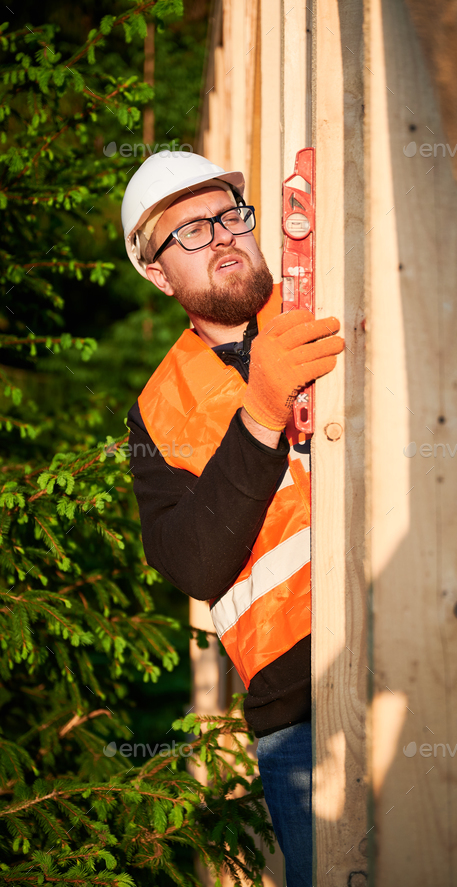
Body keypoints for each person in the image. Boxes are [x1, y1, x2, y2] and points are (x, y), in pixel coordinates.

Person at [121, 150, 344, 886]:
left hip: (424, 620)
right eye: (190, 231)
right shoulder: (157, 409)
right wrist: (261, 413)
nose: (220, 236)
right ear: (157, 274)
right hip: (299, 712)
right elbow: (191, 562)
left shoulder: (326, 295)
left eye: (229, 216)